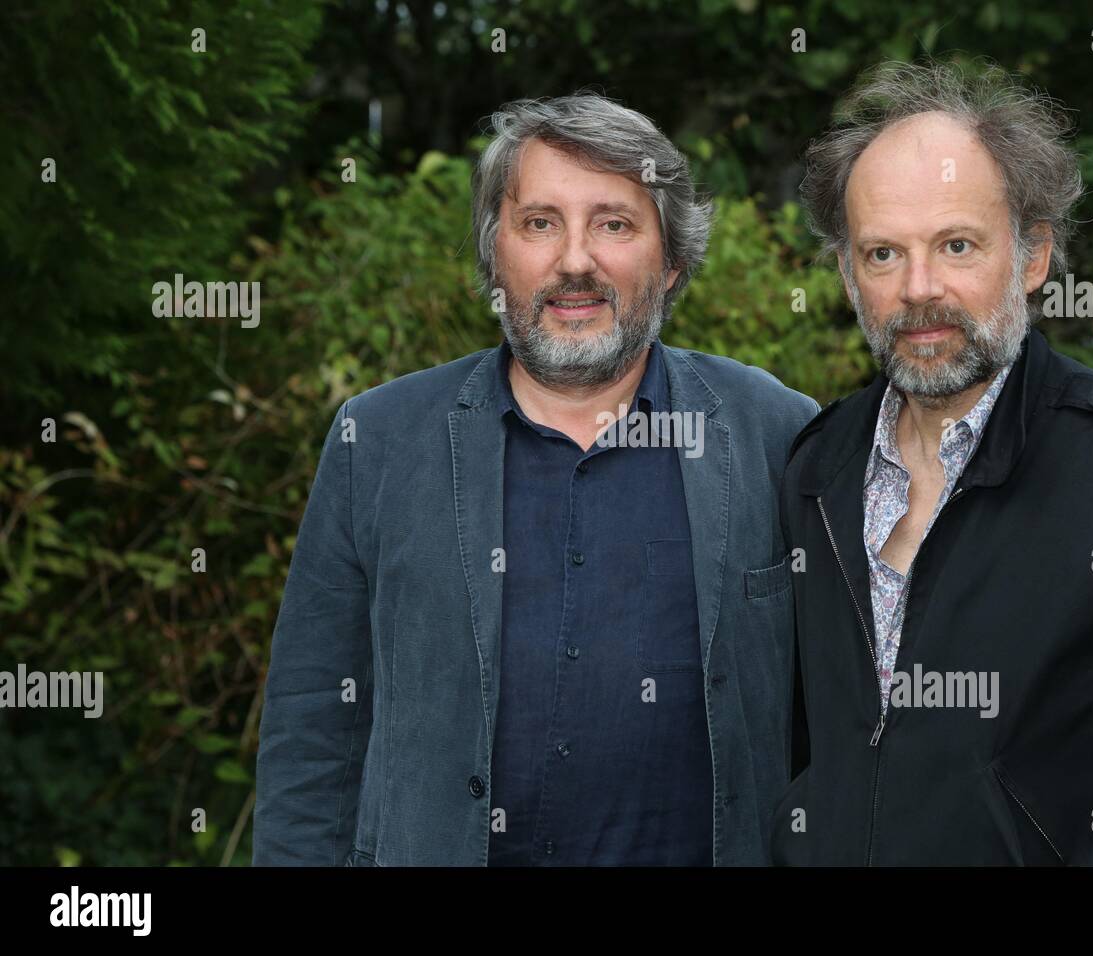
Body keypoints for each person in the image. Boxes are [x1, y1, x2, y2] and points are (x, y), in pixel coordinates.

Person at [253, 92, 818, 866]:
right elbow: (313, 725)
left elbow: (836, 718)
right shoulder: (376, 439)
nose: (575, 260)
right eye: (540, 222)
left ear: (674, 260)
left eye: (613, 223)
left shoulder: (776, 431)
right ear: (496, 255)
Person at [771, 60, 1093, 865]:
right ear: (847, 276)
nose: (919, 289)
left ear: (1033, 256)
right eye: (882, 254)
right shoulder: (817, 468)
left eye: (956, 244)